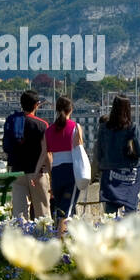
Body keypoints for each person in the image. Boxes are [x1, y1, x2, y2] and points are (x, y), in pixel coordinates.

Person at [35, 96, 85, 228]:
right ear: (71, 110)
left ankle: (63, 237)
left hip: (56, 172)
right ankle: (60, 241)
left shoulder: (49, 131)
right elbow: (79, 149)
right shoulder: (75, 127)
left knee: (60, 210)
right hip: (71, 172)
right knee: (66, 212)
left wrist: (36, 173)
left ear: (56, 110)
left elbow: (44, 153)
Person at [96, 95, 140, 215]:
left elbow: (99, 153)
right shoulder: (132, 128)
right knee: (131, 211)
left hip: (110, 174)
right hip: (130, 174)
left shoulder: (103, 128)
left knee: (110, 213)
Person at [3, 90, 50, 220]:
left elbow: (6, 147)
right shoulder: (42, 125)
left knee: (20, 215)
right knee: (43, 213)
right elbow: (47, 153)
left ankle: (20, 238)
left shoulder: (11, 121)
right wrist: (51, 175)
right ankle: (44, 237)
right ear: (36, 105)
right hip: (37, 172)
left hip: (17, 172)